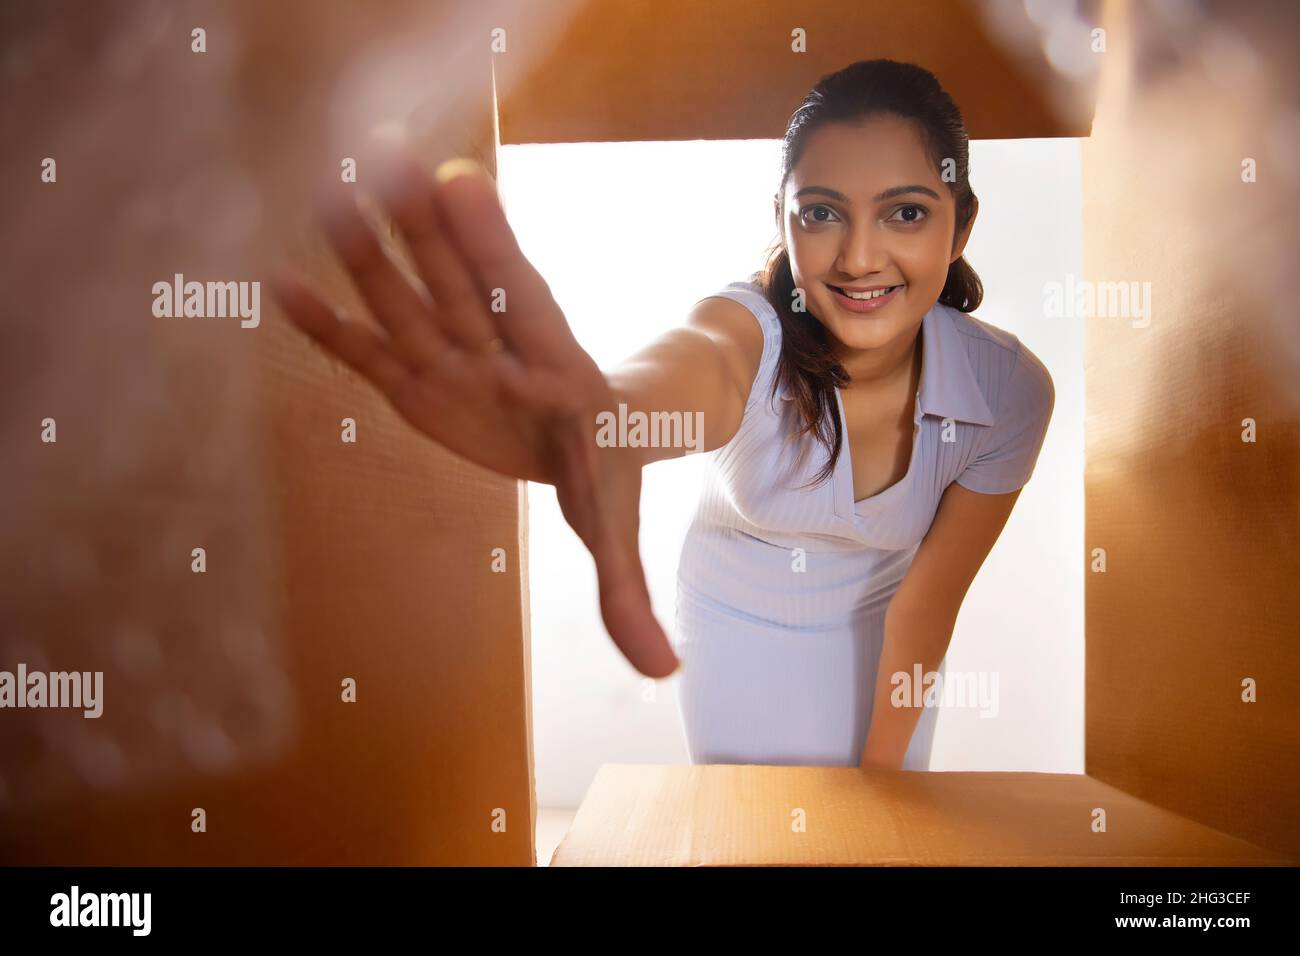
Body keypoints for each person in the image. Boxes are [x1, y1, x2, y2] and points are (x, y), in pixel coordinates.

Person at [271, 59, 1054, 772]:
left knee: (881, 836)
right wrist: (603, 417)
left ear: (962, 223)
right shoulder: (749, 333)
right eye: (820, 213)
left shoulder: (1008, 391)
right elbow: (684, 370)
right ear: (782, 216)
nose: (857, 257)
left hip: (890, 626)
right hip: (739, 620)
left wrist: (885, 785)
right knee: (755, 839)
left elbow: (928, 602)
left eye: (905, 214)